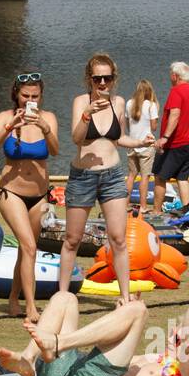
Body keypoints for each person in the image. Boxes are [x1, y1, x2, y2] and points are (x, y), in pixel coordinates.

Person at [0, 260, 189, 376]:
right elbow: (108, 362)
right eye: (173, 332)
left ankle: (58, 343)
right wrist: (120, 317)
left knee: (139, 310)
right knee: (65, 298)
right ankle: (27, 358)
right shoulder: (151, 359)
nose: (173, 336)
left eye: (179, 337)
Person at [61, 54, 155, 305]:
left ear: (114, 79)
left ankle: (124, 297)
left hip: (113, 176)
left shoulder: (119, 102)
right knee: (72, 239)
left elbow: (118, 138)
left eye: (107, 78)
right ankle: (62, 296)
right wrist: (86, 115)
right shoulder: (81, 101)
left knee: (118, 238)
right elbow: (76, 139)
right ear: (89, 79)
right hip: (83, 176)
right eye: (97, 78)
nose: (102, 83)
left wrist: (139, 142)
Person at [0, 71, 59, 321]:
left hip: (39, 195)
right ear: (16, 94)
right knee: (29, 246)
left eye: (34, 96)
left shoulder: (47, 118)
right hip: (11, 191)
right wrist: (9, 127)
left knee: (26, 251)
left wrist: (46, 129)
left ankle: (14, 298)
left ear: (41, 96)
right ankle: (31, 307)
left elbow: (56, 150)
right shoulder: (6, 117)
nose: (29, 101)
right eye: (25, 96)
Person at [152, 61, 189, 216]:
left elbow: (175, 114)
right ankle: (188, 211)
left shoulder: (176, 91)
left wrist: (165, 137)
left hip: (175, 143)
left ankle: (156, 211)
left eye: (170, 74)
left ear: (175, 75)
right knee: (182, 178)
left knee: (160, 176)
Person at [124, 79, 159, 212]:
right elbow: (154, 128)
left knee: (131, 175)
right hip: (147, 145)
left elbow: (127, 125)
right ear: (149, 91)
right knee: (145, 177)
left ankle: (126, 204)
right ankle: (143, 206)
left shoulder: (129, 103)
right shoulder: (151, 105)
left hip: (132, 143)